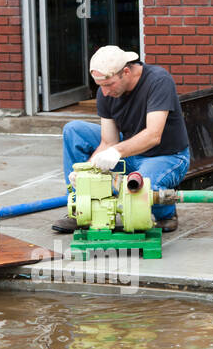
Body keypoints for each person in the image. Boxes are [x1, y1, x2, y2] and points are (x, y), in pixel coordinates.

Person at [54, 46, 189, 234]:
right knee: (74, 130)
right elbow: (108, 142)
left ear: (126, 71)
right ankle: (79, 208)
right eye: (100, 86)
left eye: (109, 85)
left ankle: (166, 213)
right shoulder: (105, 92)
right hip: (130, 153)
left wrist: (116, 152)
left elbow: (153, 135)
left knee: (142, 183)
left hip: (167, 157)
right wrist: (86, 172)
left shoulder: (158, 81)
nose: (105, 92)